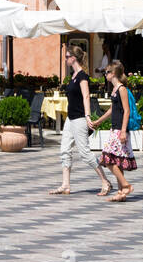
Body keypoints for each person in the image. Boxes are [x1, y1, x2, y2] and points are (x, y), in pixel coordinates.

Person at [49, 45, 111, 197]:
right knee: (64, 150)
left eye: (66, 56)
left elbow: (85, 96)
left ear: (73, 58)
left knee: (85, 153)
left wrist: (88, 116)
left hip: (79, 119)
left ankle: (105, 181)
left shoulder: (83, 76)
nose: (65, 59)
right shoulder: (73, 76)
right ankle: (65, 184)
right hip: (70, 119)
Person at [90, 60, 136, 202]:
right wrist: (99, 121)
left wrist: (123, 131)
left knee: (107, 159)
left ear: (114, 73)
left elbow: (126, 111)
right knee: (118, 161)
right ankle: (121, 193)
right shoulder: (114, 89)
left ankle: (126, 185)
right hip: (114, 128)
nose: (105, 74)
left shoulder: (122, 89)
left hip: (119, 130)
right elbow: (112, 110)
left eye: (107, 72)